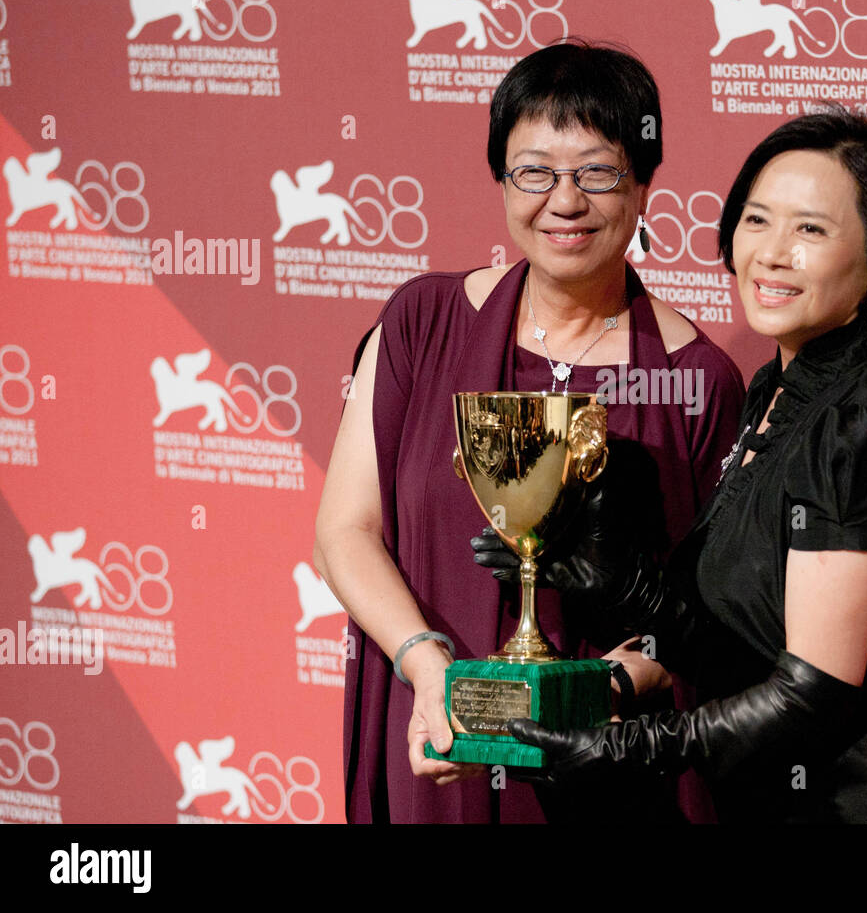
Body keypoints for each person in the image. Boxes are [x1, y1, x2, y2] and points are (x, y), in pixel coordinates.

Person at [313, 41, 745, 823]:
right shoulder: (420, 324)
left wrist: (597, 692)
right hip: (436, 738)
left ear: (644, 184)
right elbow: (347, 530)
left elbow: (709, 621)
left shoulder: (700, 381)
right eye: (534, 172)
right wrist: (427, 667)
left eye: (597, 172)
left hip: (604, 775)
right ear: (502, 181)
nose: (564, 201)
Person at [508, 109, 867, 822]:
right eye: (756, 219)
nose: (771, 253)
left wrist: (632, 747)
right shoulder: (778, 388)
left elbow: (813, 691)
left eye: (811, 230)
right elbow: (749, 648)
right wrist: (619, 583)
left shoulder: (860, 424)